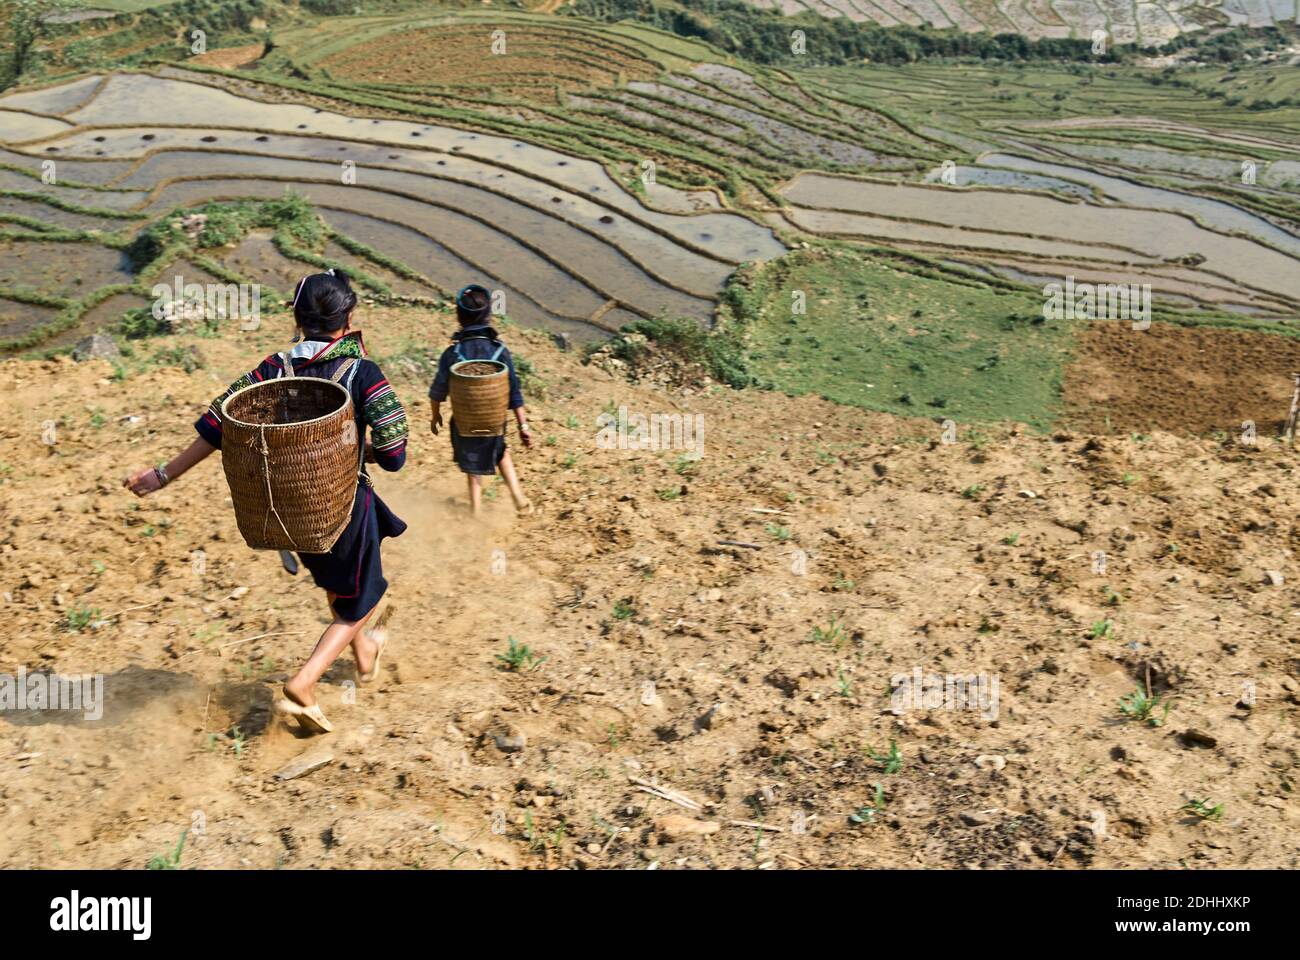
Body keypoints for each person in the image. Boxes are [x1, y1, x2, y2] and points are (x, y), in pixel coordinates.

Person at [123, 269, 410, 734]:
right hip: (339, 511)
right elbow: (395, 454)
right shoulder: (362, 373)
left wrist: (161, 476)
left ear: (297, 319)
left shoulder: (271, 370)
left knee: (345, 587)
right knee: (362, 597)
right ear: (350, 318)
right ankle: (304, 683)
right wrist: (366, 449)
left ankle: (365, 655)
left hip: (286, 513)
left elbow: (217, 425)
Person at [428, 284, 532, 516]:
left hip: (465, 422)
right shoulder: (499, 350)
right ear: (488, 316)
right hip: (495, 420)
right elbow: (514, 390)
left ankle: (476, 510)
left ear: (459, 317)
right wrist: (523, 425)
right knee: (500, 450)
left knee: (471, 459)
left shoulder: (452, 354)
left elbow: (438, 390)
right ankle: (517, 496)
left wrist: (435, 415)